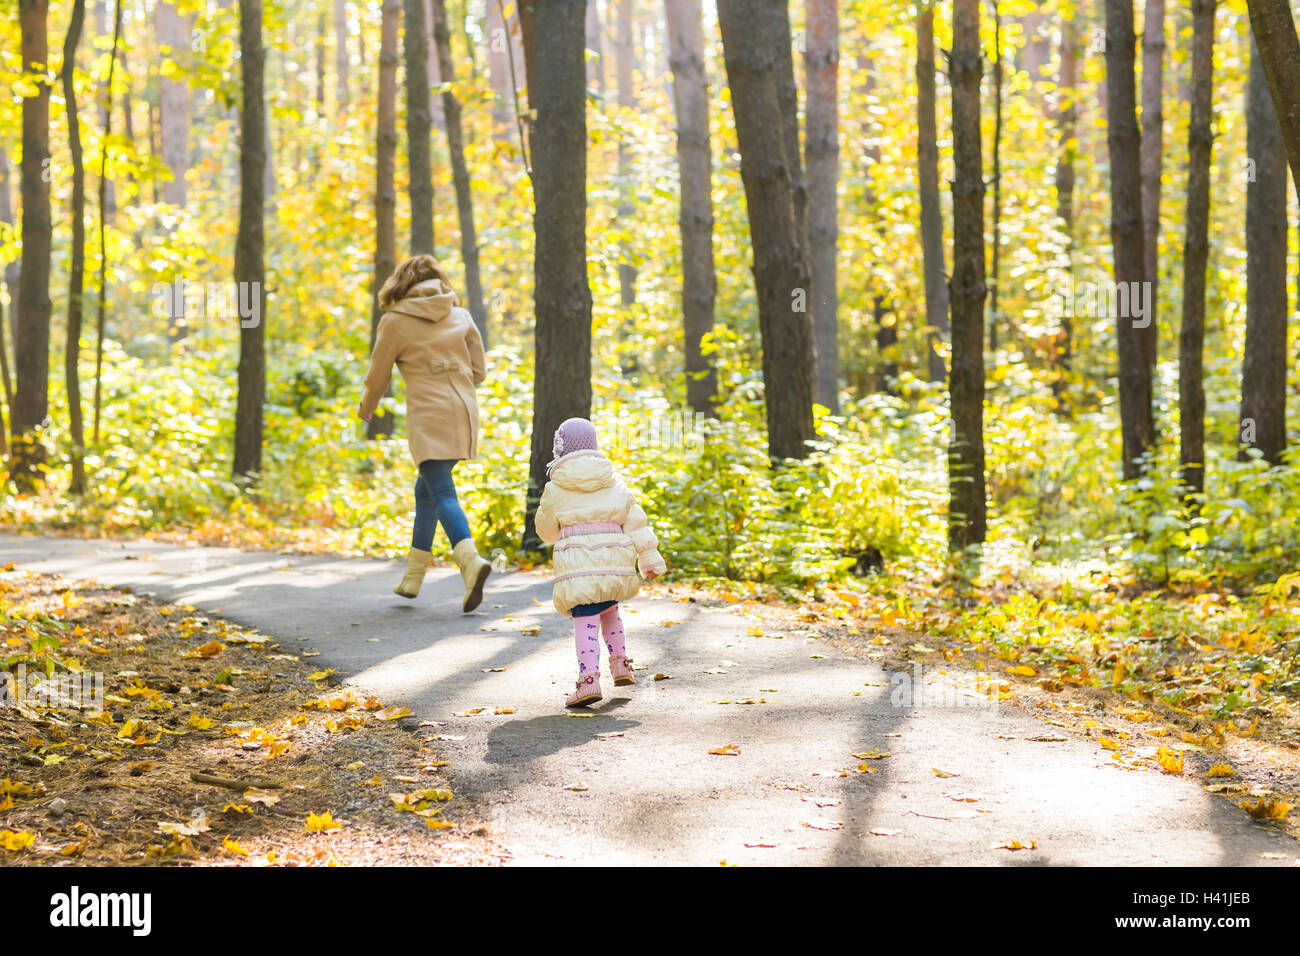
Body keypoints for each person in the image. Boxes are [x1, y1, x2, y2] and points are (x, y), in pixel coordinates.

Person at [358, 254, 491, 612]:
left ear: (401, 284)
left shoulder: (395, 321)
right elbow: (479, 371)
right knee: (427, 491)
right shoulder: (460, 314)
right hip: (463, 410)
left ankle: (470, 561)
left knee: (442, 491)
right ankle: (413, 578)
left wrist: (366, 407)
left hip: (429, 415)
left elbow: (378, 376)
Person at [535, 418, 667, 707]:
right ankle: (621, 665)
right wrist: (649, 559)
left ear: (561, 449)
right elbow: (636, 522)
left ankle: (589, 680)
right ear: (594, 445)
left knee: (585, 622)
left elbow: (545, 532)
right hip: (614, 564)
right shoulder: (613, 482)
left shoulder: (556, 487)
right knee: (610, 611)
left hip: (579, 568)